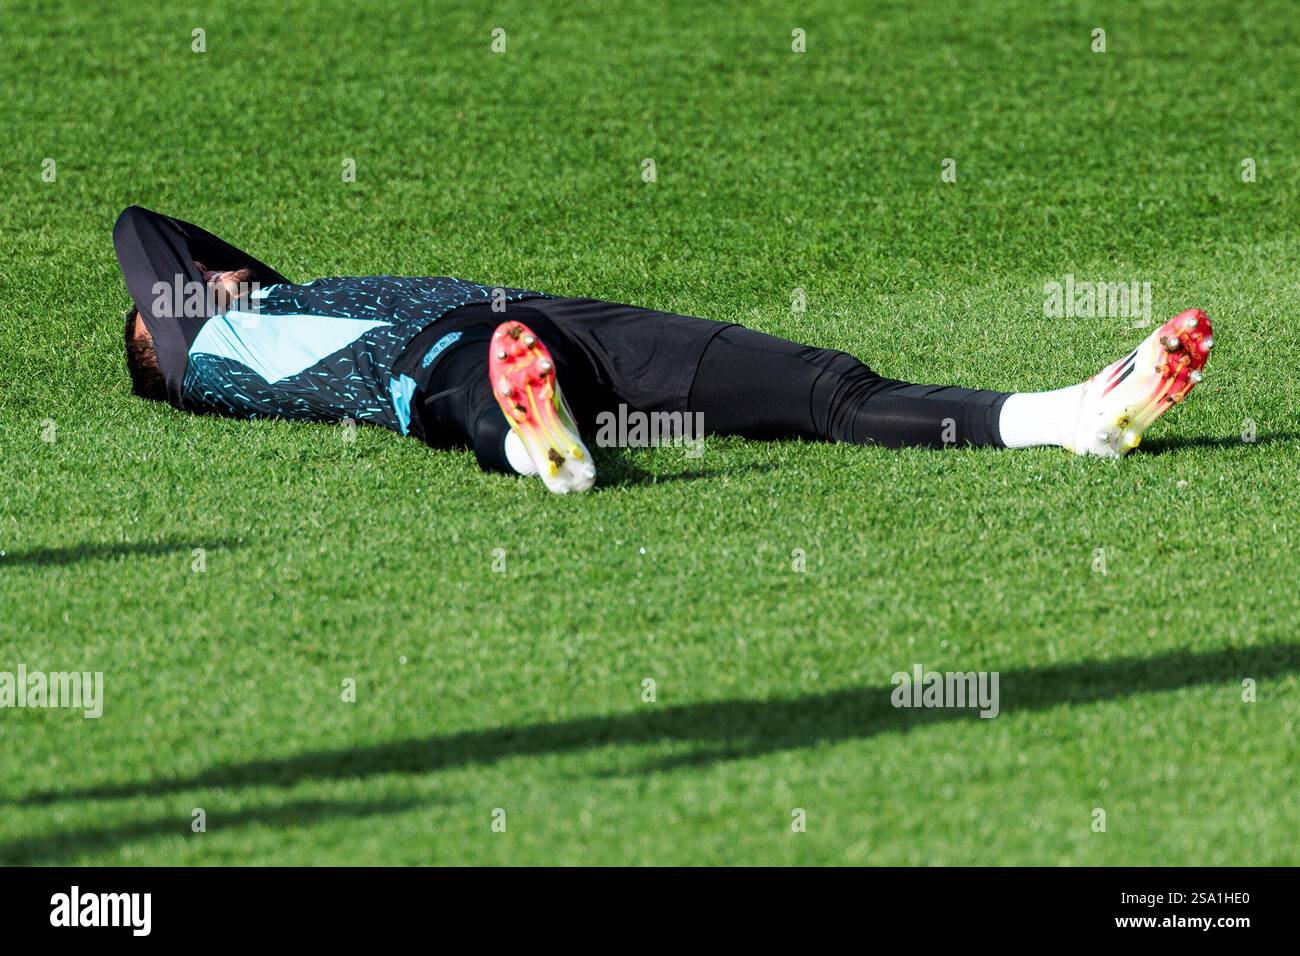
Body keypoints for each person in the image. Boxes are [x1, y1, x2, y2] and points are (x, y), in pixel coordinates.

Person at [114, 205, 1213, 494]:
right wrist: (176, 313)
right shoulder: (217, 359)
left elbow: (206, 250)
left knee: (823, 388)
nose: (203, 275)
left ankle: (1061, 413)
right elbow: (141, 230)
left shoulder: (287, 294)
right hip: (439, 356)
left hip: (567, 322)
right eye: (164, 307)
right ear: (168, 343)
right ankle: (539, 446)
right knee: (477, 383)